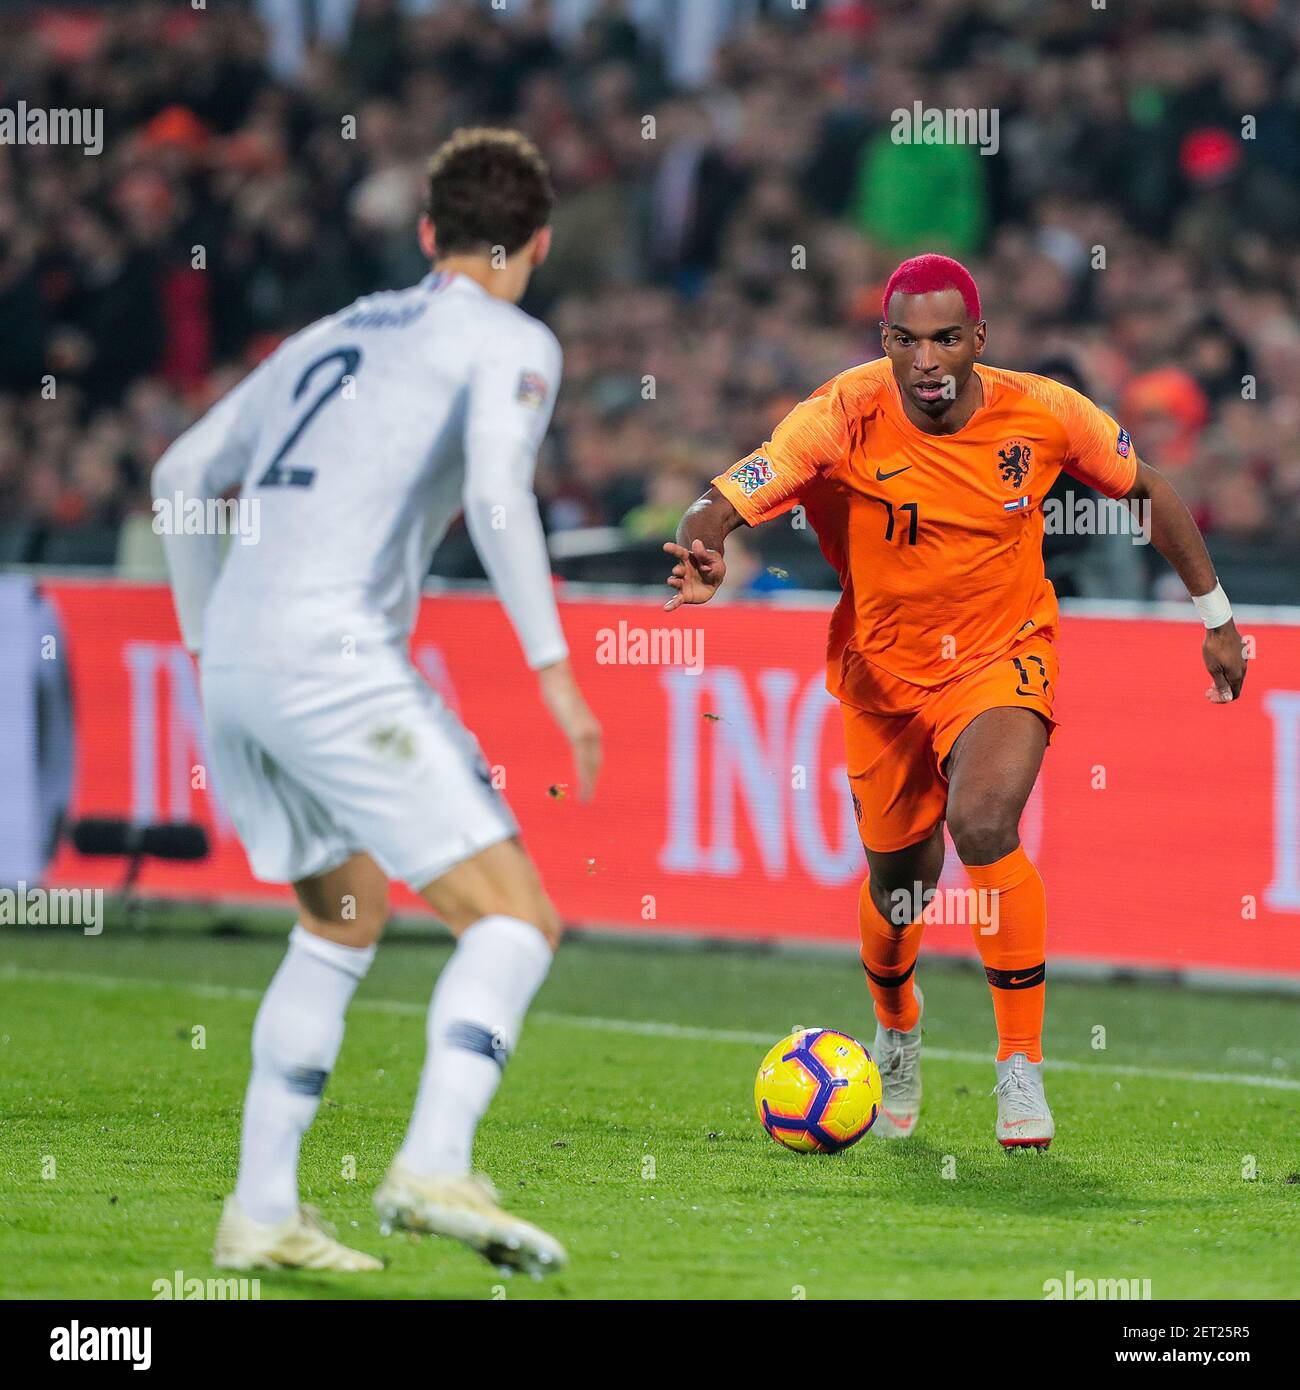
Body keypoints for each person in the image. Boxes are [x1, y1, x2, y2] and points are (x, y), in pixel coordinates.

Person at [664, 253, 1245, 1149]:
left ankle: (1021, 1068)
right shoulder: (842, 411)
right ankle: (896, 1033)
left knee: (983, 824)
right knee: (900, 889)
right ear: (885, 342)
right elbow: (741, 490)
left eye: (946, 339)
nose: (927, 359)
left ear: (980, 339)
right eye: (908, 341)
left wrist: (1216, 617)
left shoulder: (1045, 411)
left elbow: (1150, 492)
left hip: (1001, 656)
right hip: (884, 677)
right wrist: (701, 538)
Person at [153, 127, 600, 1274]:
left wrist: (211, 639)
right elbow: (501, 493)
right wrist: (553, 666)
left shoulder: (329, 332)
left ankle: (260, 1209)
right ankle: (432, 1162)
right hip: (330, 656)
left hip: (243, 666)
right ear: (538, 244)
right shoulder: (510, 337)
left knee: (341, 914)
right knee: (514, 919)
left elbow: (179, 475)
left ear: (425, 235)